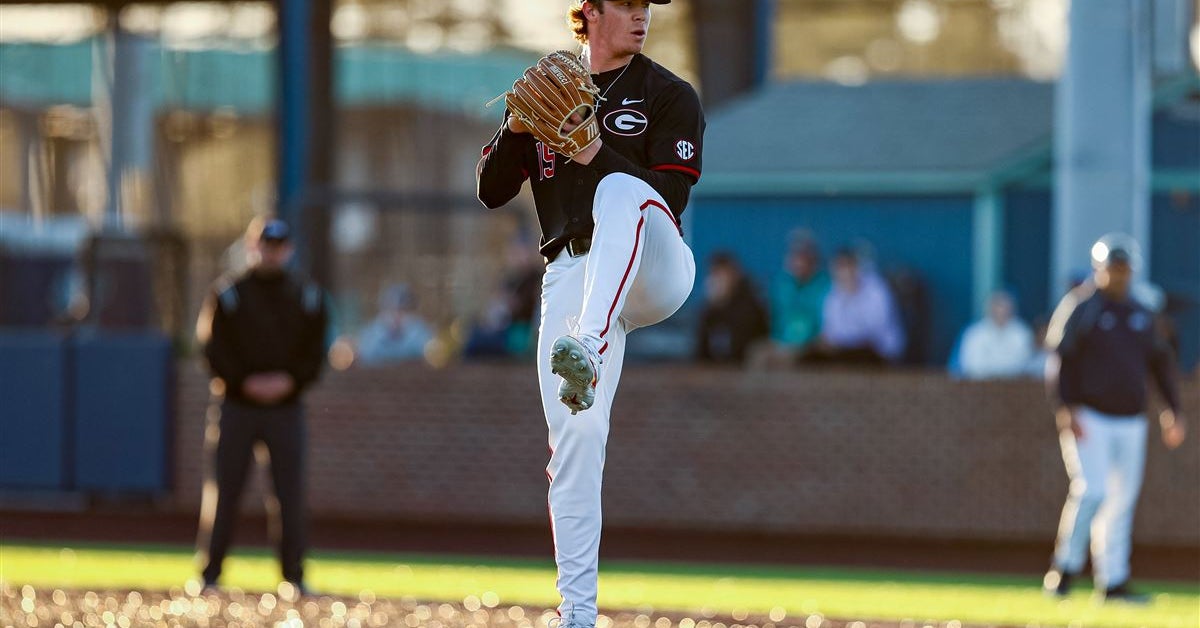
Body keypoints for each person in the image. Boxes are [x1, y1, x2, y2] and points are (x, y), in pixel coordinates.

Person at [476, 1, 703, 625]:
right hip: (572, 272)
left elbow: (672, 194)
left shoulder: (668, 93)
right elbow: (492, 191)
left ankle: (591, 346)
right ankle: (577, 613)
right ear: (590, 11)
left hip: (654, 263)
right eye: (626, 3)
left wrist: (592, 151)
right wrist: (516, 127)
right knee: (575, 437)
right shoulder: (550, 88)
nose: (641, 14)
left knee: (619, 187)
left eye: (645, 5)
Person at [1042, 233, 1187, 602]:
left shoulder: (1141, 311)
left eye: (1124, 269)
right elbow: (1059, 359)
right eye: (1114, 268)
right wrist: (1065, 408)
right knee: (1092, 491)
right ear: (1099, 269)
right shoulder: (1082, 307)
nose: (1119, 275)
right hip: (1090, 415)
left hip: (1131, 420)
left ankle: (1113, 581)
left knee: (1122, 501)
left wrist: (1173, 409)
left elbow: (1160, 364)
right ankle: (1064, 569)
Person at [193, 217, 328, 596]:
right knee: (224, 490)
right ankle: (209, 574)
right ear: (253, 247)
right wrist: (244, 382)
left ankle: (294, 577)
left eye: (279, 246)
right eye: (266, 245)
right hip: (236, 406)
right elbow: (212, 348)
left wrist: (289, 381)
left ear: (289, 249)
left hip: (286, 408)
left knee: (289, 493)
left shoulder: (306, 296)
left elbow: (316, 352)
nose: (272, 252)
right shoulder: (229, 294)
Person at [805, 247, 905, 365]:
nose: (845, 272)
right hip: (844, 351)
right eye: (840, 268)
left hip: (880, 352)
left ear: (857, 267)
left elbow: (875, 330)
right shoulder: (833, 294)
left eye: (848, 266)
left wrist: (842, 341)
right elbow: (831, 332)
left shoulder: (877, 289)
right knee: (809, 357)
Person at [695, 252, 768, 364]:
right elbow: (702, 352)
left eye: (720, 275)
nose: (714, 281)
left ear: (733, 276)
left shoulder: (750, 308)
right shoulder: (709, 311)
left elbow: (740, 350)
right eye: (712, 274)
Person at [956, 290, 1035, 379]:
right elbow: (971, 366)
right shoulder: (974, 334)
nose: (1002, 311)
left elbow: (1025, 364)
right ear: (989, 308)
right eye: (998, 305)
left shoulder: (1022, 333)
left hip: (1015, 384)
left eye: (1005, 307)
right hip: (981, 384)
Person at [355, 283, 433, 365]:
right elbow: (366, 355)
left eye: (402, 311)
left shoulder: (420, 331)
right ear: (382, 311)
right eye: (391, 310)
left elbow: (427, 354)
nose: (396, 316)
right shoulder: (371, 333)